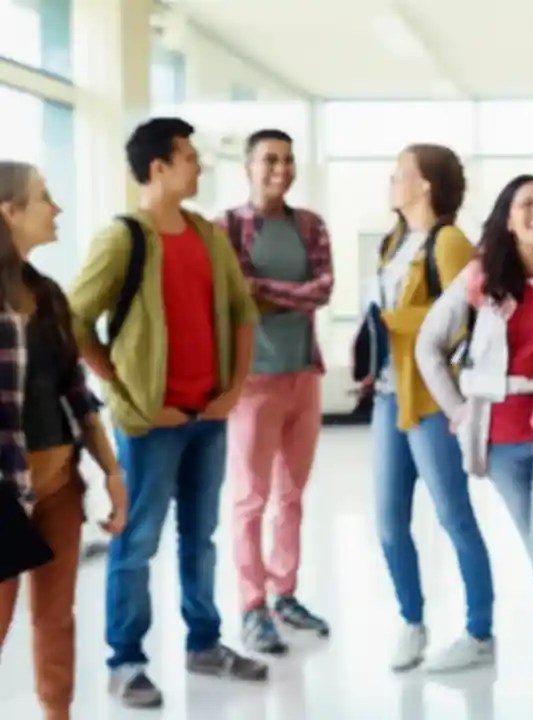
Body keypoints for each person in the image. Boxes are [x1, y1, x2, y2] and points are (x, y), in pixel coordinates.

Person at [67, 117, 265, 709]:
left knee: (200, 538)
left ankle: (204, 643)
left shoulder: (207, 234)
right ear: (158, 167)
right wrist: (129, 399)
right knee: (138, 542)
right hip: (153, 425)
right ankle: (125, 661)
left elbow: (242, 312)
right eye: (188, 156)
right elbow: (75, 320)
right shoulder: (122, 238)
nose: (197, 166)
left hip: (209, 417)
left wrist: (232, 391)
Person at [416, 174, 533, 708]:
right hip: (501, 446)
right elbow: (429, 347)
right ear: (507, 219)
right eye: (527, 204)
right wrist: (460, 412)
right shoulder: (481, 278)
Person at [0, 161, 128, 720]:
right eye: (44, 198)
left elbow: (78, 394)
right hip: (5, 489)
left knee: (56, 617)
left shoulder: (48, 293)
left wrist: (112, 471)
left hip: (59, 485)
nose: (57, 208)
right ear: (9, 212)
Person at [371, 144, 494, 673]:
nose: (392, 180)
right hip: (386, 394)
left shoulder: (450, 243)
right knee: (388, 522)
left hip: (431, 400)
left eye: (401, 173)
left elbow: (468, 319)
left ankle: (479, 631)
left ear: (424, 185)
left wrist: (394, 323)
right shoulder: (394, 240)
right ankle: (411, 622)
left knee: (452, 515)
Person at [216, 129, 333, 655]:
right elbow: (234, 292)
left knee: (291, 497)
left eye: (287, 159)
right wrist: (290, 297)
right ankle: (251, 605)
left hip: (303, 374)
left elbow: (323, 290)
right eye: (269, 160)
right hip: (252, 382)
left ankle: (285, 592)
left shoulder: (310, 225)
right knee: (249, 499)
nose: (280, 169)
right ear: (248, 166)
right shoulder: (229, 227)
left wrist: (264, 291)